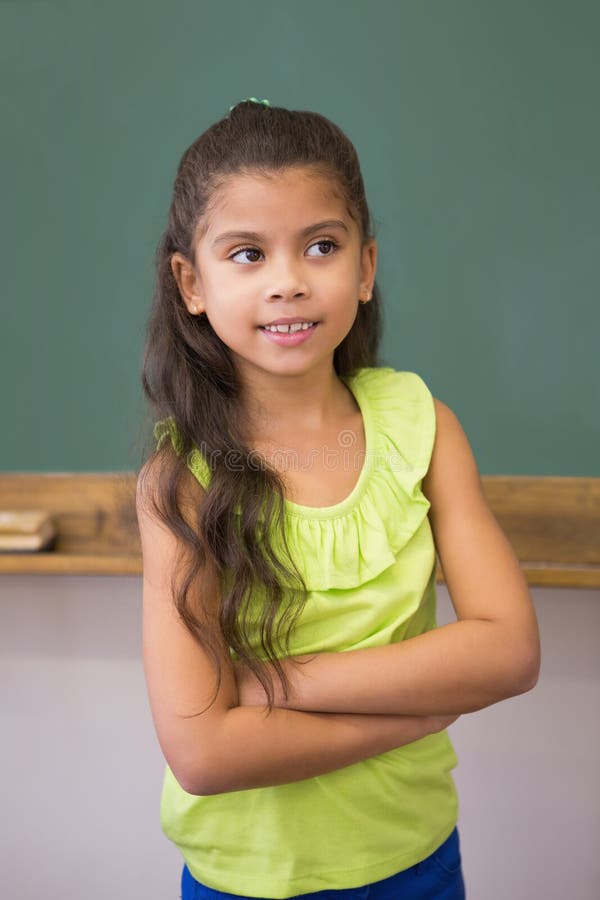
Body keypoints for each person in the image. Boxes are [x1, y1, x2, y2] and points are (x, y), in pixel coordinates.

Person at [136, 97, 541, 900]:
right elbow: (206, 755)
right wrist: (417, 712)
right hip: (247, 880)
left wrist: (273, 683)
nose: (288, 282)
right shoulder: (181, 484)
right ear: (191, 282)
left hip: (416, 860)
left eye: (320, 246)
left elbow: (508, 651)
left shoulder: (422, 426)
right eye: (246, 254)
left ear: (364, 268)